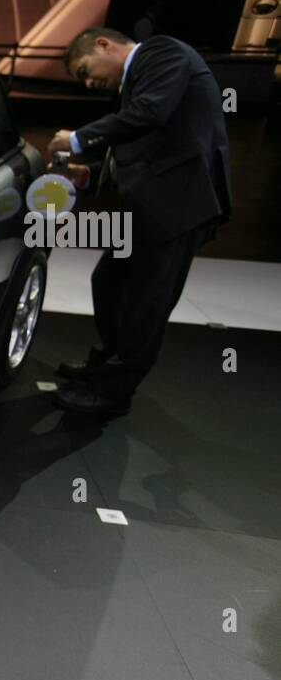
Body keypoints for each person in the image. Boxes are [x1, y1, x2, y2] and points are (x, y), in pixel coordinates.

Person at [46, 27, 232, 415]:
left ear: (103, 45)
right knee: (110, 282)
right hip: (155, 204)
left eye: (84, 70)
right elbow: (146, 143)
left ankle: (114, 392)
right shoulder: (140, 80)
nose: (88, 82)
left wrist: (78, 139)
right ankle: (107, 365)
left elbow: (150, 114)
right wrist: (92, 173)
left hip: (179, 206)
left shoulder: (161, 52)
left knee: (147, 300)